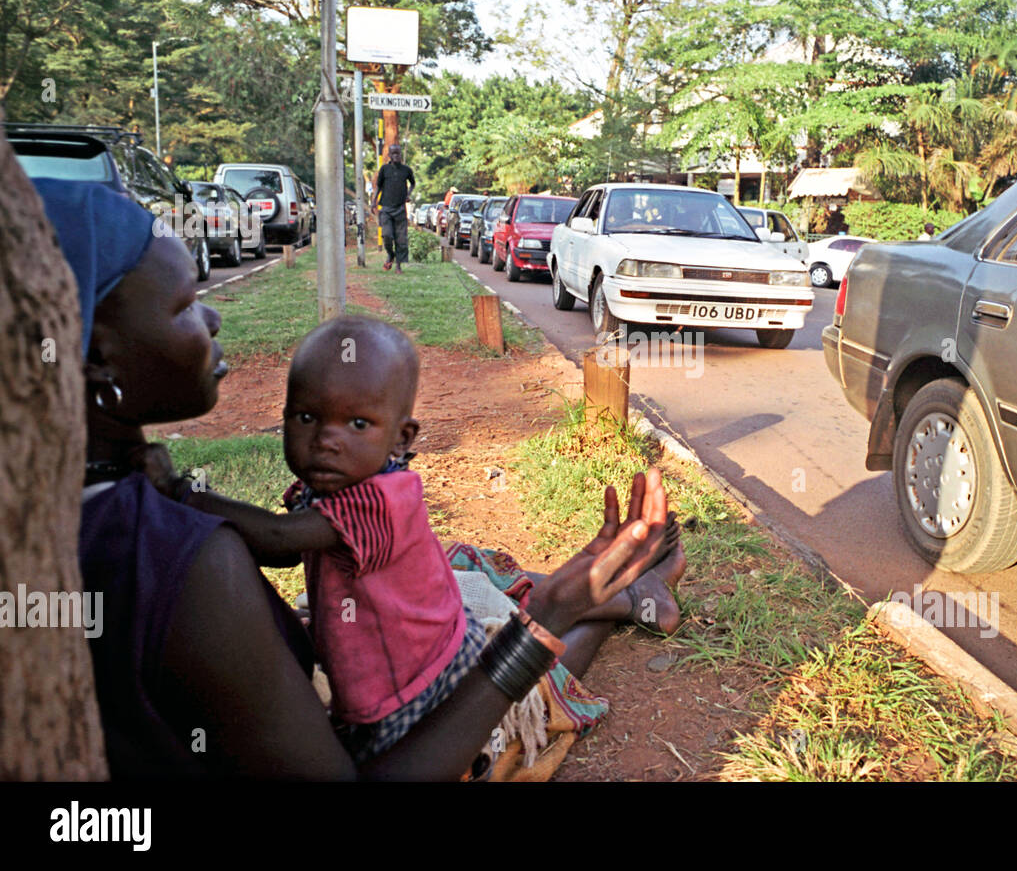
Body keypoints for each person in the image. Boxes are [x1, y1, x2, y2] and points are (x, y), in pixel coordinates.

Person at [34, 176, 681, 779]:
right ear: (92, 354)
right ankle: (609, 602)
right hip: (405, 713)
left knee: (468, 571)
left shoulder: (60, 512)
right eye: (182, 306)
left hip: (403, 660)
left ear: (402, 439)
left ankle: (622, 592)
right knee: (528, 670)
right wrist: (551, 612)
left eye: (357, 425)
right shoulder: (188, 562)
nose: (212, 318)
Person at [133, 314, 683, 763]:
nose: (325, 441)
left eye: (356, 426)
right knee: (496, 595)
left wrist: (181, 493)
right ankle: (624, 597)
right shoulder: (342, 484)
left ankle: (628, 602)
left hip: (422, 686)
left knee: (535, 686)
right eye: (305, 418)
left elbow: (277, 537)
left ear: (402, 438)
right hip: (426, 640)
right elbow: (282, 548)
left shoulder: (376, 499)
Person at [372, 143, 415, 272]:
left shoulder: (406, 170)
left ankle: (398, 265)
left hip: (400, 208)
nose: (396, 156)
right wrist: (374, 201)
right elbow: (378, 187)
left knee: (401, 238)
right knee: (387, 235)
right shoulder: (384, 169)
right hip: (385, 208)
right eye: (394, 153)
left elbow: (413, 183)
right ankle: (390, 254)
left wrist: (408, 194)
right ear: (389, 155)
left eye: (398, 153)